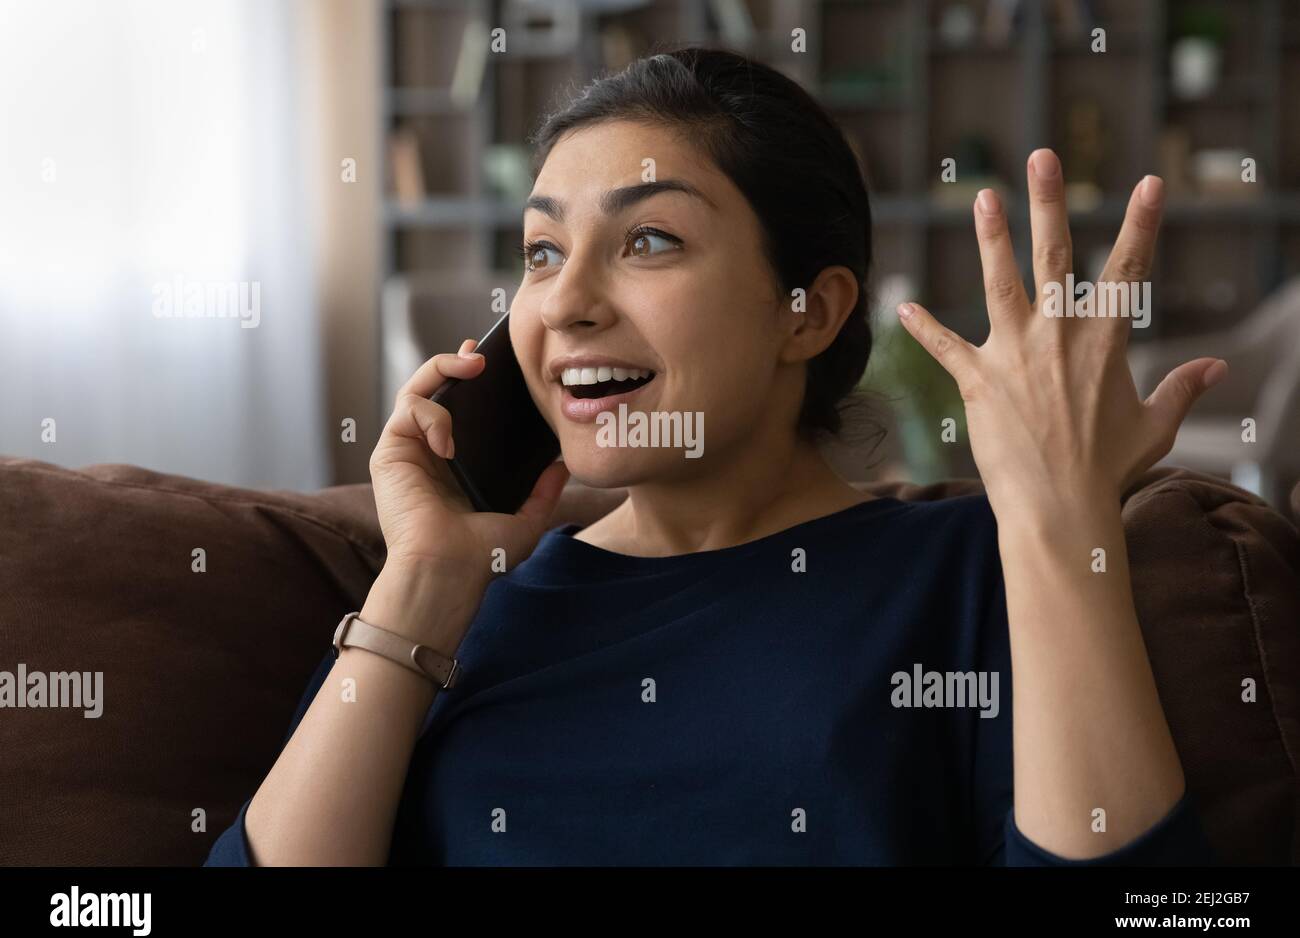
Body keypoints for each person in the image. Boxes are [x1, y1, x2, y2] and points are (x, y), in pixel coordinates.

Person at [205, 46, 1224, 866]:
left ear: (807, 312)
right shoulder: (457, 607)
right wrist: (421, 582)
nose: (562, 301)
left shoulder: (972, 571)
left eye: (647, 240)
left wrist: (1058, 512)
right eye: (542, 251)